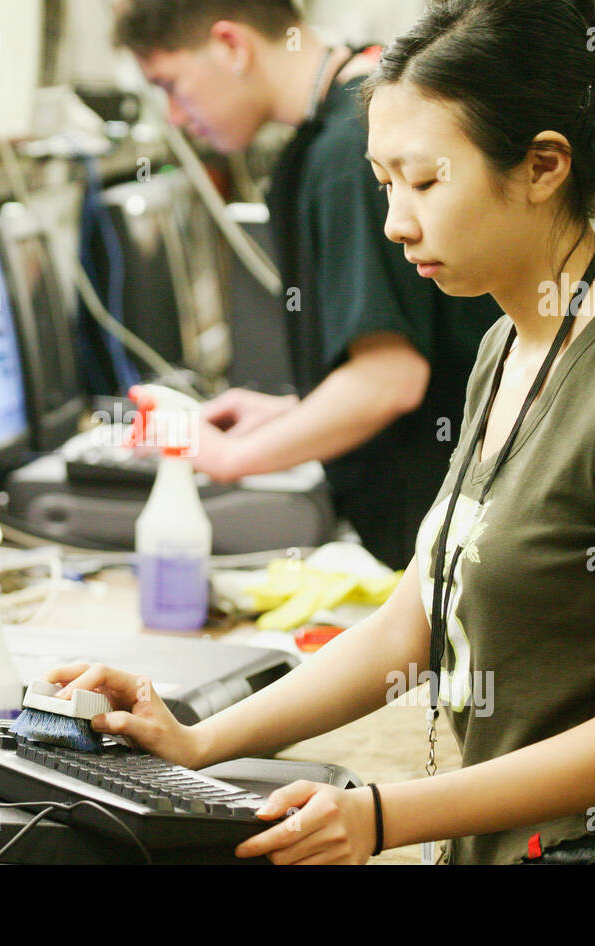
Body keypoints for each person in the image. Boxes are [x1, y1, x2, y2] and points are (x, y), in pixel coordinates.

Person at [51, 0, 595, 864]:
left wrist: (382, 818)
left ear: (541, 167)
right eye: (385, 183)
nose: (395, 222)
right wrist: (194, 737)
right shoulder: (512, 342)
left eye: (424, 182)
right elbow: (406, 629)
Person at [113, 0, 502, 570]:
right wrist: (289, 410)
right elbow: (423, 345)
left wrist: (229, 456)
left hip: (455, 530)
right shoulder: (353, 115)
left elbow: (391, 379)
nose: (174, 114)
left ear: (230, 45)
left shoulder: (351, 150)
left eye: (170, 84)